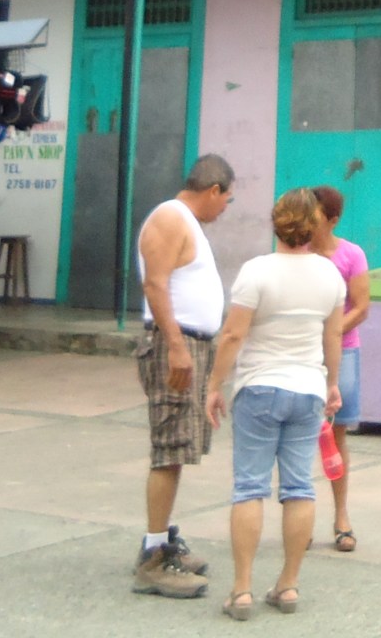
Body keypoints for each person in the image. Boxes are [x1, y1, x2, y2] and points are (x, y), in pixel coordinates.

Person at [205, 187, 346, 620]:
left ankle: (242, 590)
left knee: (250, 487)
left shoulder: (256, 272)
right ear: (315, 225)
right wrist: (333, 384)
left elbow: (233, 335)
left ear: (277, 223)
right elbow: (333, 336)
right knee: (300, 486)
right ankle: (288, 585)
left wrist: (214, 384)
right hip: (308, 389)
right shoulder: (330, 276)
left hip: (260, 387)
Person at [132, 152, 236, 599]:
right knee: (169, 447)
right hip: (175, 343)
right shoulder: (171, 218)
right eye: (226, 200)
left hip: (193, 344)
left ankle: (162, 539)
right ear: (213, 190)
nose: (225, 209)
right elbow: (155, 284)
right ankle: (154, 557)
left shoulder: (185, 222)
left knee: (179, 447)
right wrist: (175, 345)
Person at [309, 184, 371, 554]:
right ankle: (298, 515)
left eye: (315, 216)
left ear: (332, 220)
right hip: (300, 355)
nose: (307, 223)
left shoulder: (351, 255)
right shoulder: (295, 252)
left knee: (337, 435)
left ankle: (341, 516)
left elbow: (361, 307)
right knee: (297, 436)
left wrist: (330, 334)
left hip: (342, 354)